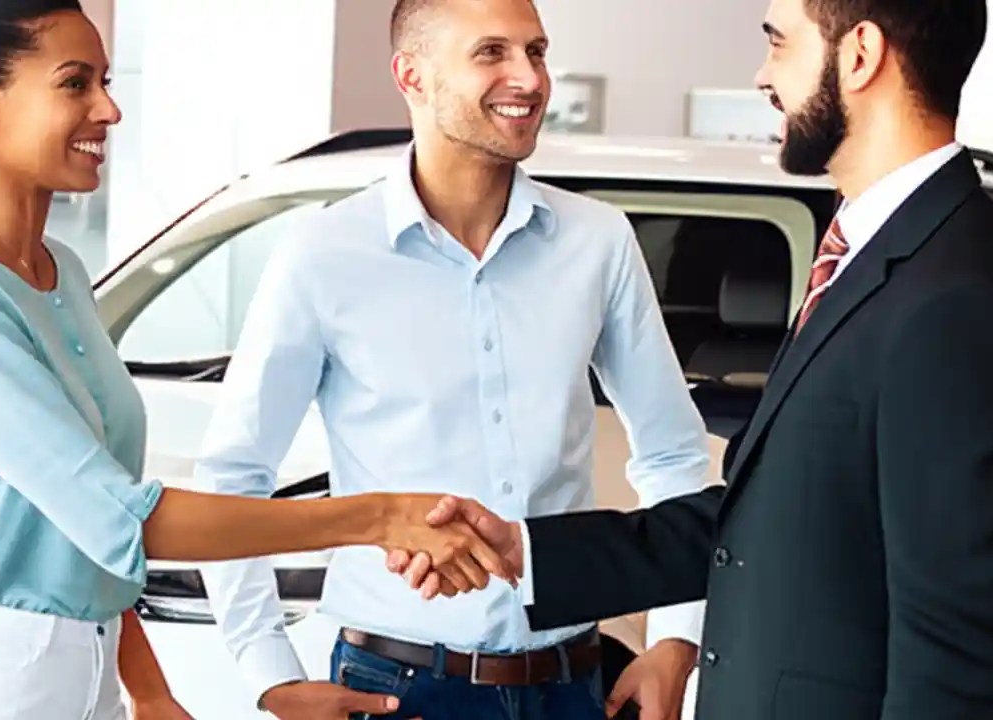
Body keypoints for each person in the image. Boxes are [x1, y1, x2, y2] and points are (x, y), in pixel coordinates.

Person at [397, 0, 993, 718]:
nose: (761, 76)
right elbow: (771, 518)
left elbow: (961, 674)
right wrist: (522, 551)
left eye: (779, 45)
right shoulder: (876, 257)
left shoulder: (966, 304)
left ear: (859, 55)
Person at [0, 3, 510, 719]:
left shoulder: (61, 273)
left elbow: (84, 526)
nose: (108, 109)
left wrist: (148, 688)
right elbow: (124, 522)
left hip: (88, 680)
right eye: (75, 84)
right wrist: (379, 517)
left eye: (105, 80)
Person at [192, 0, 714, 717]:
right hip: (395, 689)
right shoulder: (324, 255)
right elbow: (234, 475)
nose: (528, 78)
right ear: (412, 74)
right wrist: (269, 671)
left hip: (573, 684)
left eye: (536, 51)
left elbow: (673, 455)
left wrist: (676, 640)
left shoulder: (598, 242)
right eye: (492, 53)